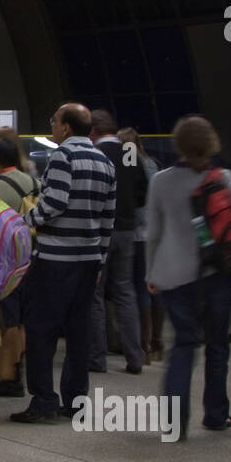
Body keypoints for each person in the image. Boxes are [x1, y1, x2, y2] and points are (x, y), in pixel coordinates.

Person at [146, 115, 231, 438]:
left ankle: (173, 422)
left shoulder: (161, 181)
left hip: (174, 276)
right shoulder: (221, 176)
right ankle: (216, 414)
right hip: (216, 274)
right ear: (211, 144)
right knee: (218, 345)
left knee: (183, 344)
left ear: (177, 145)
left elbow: (153, 233)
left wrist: (150, 274)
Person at [11, 103, 116, 424]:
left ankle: (44, 400)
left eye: (54, 121)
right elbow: (107, 218)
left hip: (56, 259)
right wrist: (99, 261)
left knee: (41, 329)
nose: (52, 126)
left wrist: (23, 221)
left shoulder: (63, 156)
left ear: (67, 128)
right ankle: (75, 401)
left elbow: (54, 202)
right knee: (78, 332)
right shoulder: (105, 162)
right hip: (88, 260)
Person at [87, 110, 146, 376]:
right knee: (125, 291)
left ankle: (97, 358)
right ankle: (135, 357)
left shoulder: (93, 155)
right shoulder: (129, 153)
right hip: (126, 230)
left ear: (93, 131)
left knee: (95, 293)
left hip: (99, 230)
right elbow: (142, 191)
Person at [0, 137, 36, 397]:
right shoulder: (34, 182)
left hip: (6, 264)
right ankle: (21, 371)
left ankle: (12, 377)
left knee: (9, 320)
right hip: (33, 258)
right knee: (24, 320)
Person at [118, 127, 164, 365]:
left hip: (135, 235)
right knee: (153, 287)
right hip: (154, 236)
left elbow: (136, 206)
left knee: (136, 288)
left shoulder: (130, 166)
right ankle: (156, 342)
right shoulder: (152, 163)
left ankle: (142, 345)